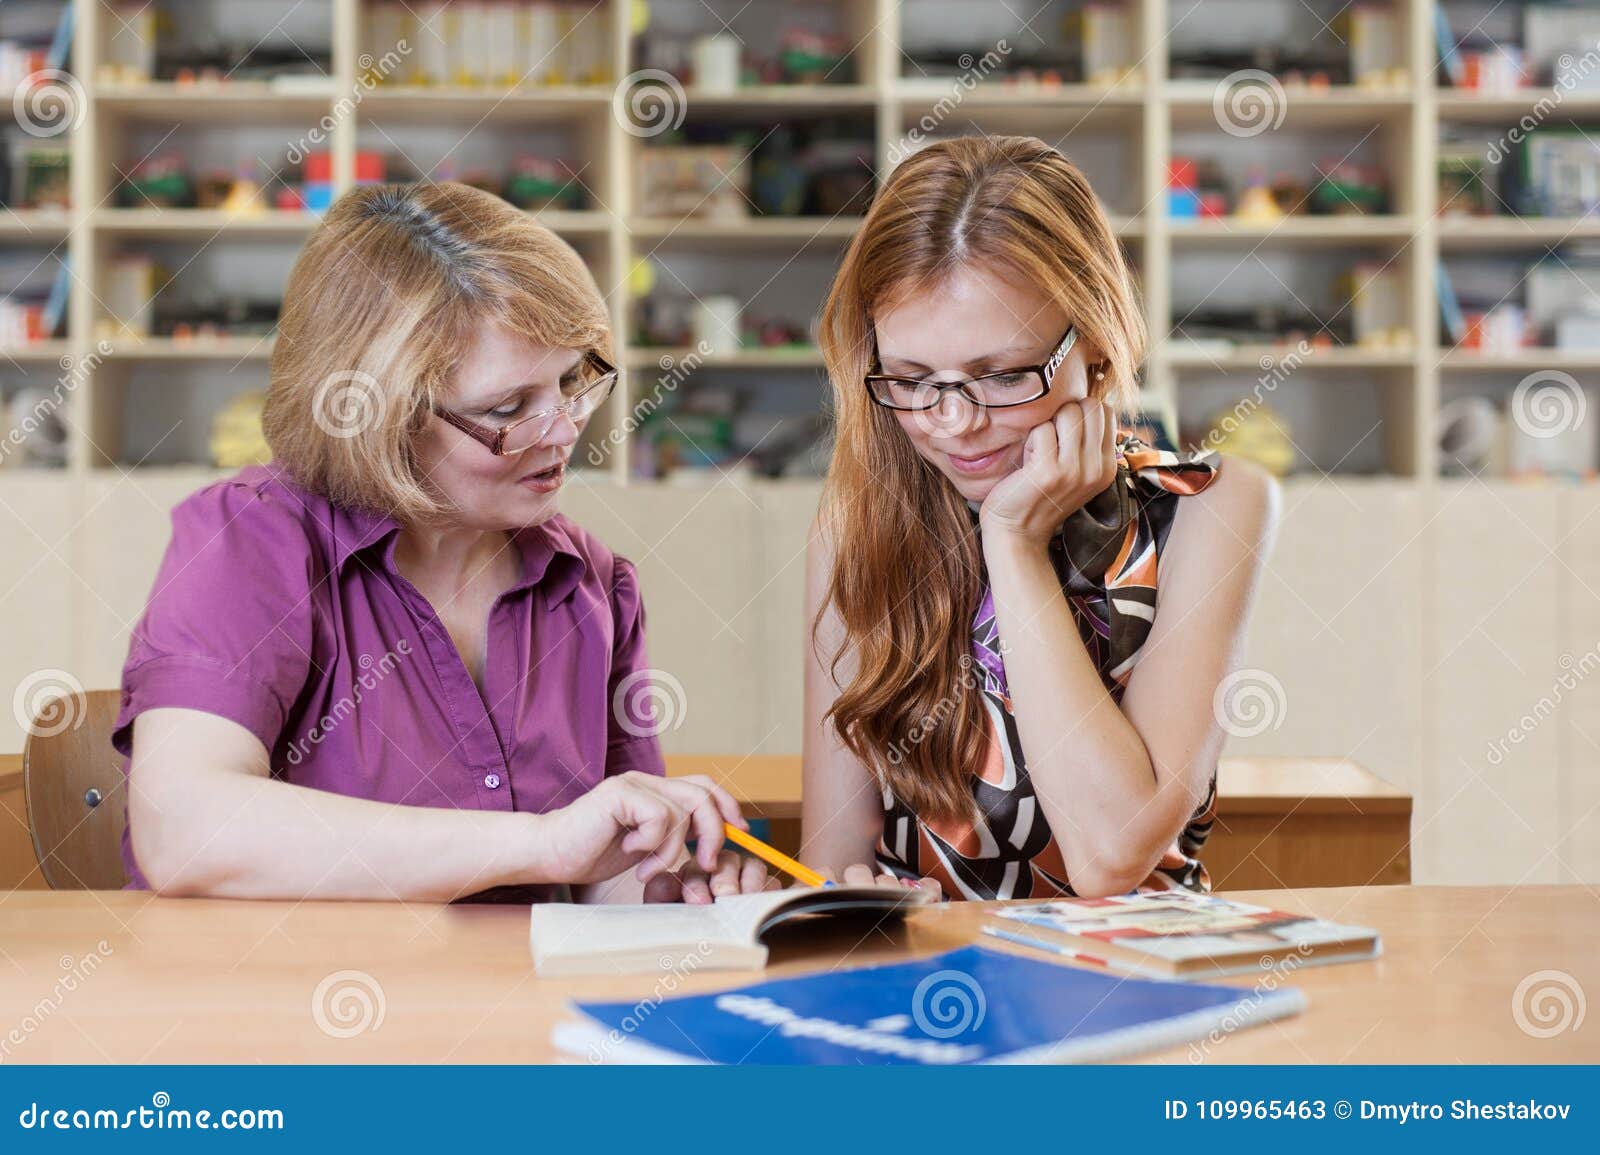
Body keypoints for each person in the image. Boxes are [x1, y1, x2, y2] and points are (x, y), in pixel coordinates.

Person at [114, 182, 765, 905]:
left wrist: (680, 877)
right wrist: (539, 844)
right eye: (508, 408)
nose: (563, 430)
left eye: (572, 381)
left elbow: (607, 871)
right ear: (380, 415)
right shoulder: (252, 541)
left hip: (520, 1008)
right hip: (286, 1006)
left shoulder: (589, 581)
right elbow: (184, 830)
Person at [801, 136, 1279, 901]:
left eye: (1001, 376)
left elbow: (1112, 856)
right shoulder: (854, 529)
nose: (954, 422)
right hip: (920, 983)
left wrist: (1014, 544)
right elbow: (831, 860)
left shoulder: (1209, 509)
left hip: (1133, 988)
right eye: (912, 378)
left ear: (1094, 345)